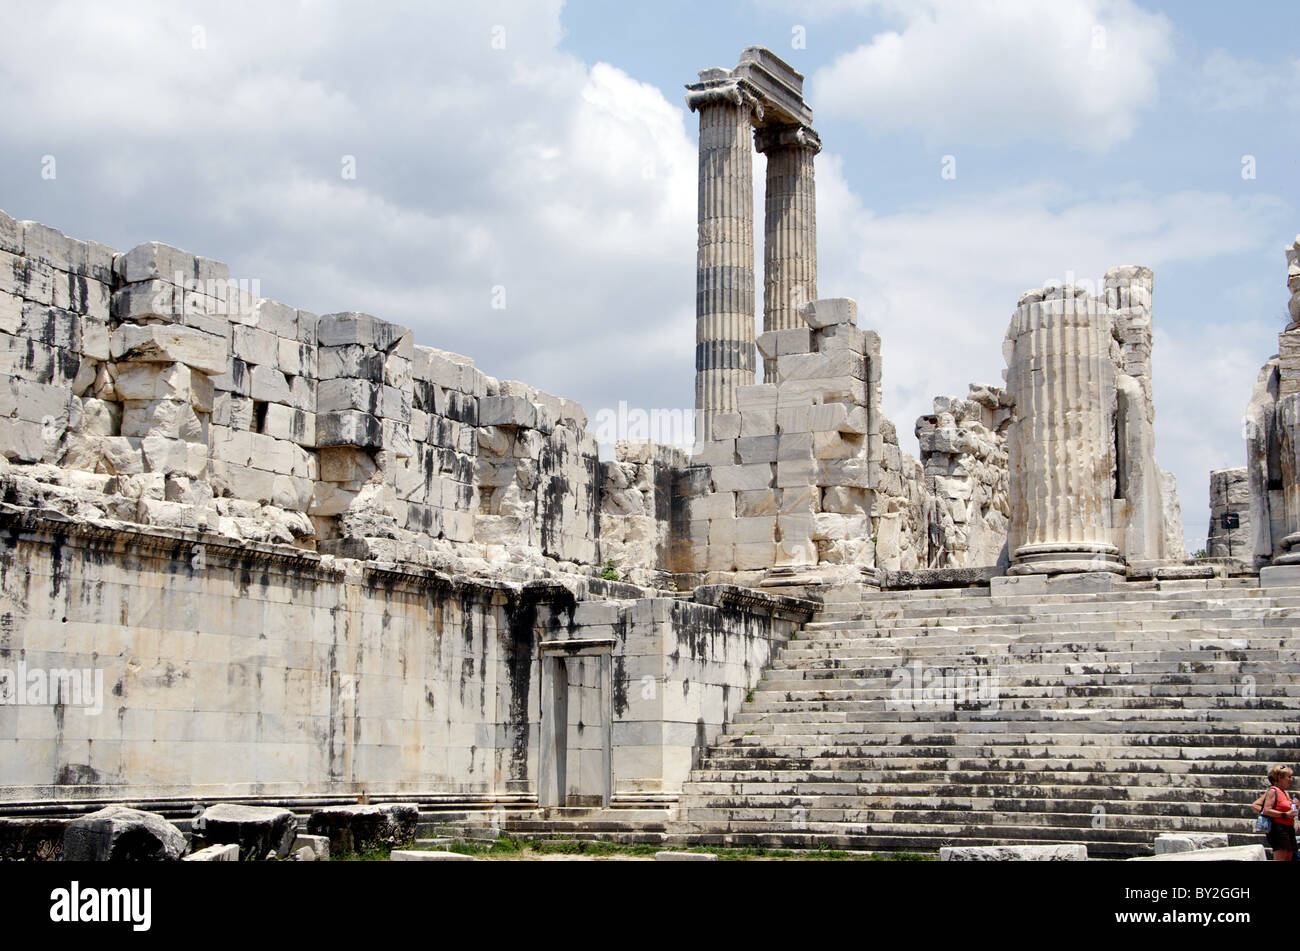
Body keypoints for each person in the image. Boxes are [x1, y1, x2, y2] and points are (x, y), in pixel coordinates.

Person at [1259, 765, 1298, 861]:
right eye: (1288, 777)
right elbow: (1267, 810)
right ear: (1280, 778)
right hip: (1278, 828)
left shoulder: (1285, 793)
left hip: (1288, 828)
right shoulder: (1273, 791)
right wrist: (1285, 815)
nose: (1291, 780)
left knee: (1289, 855)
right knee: (1281, 856)